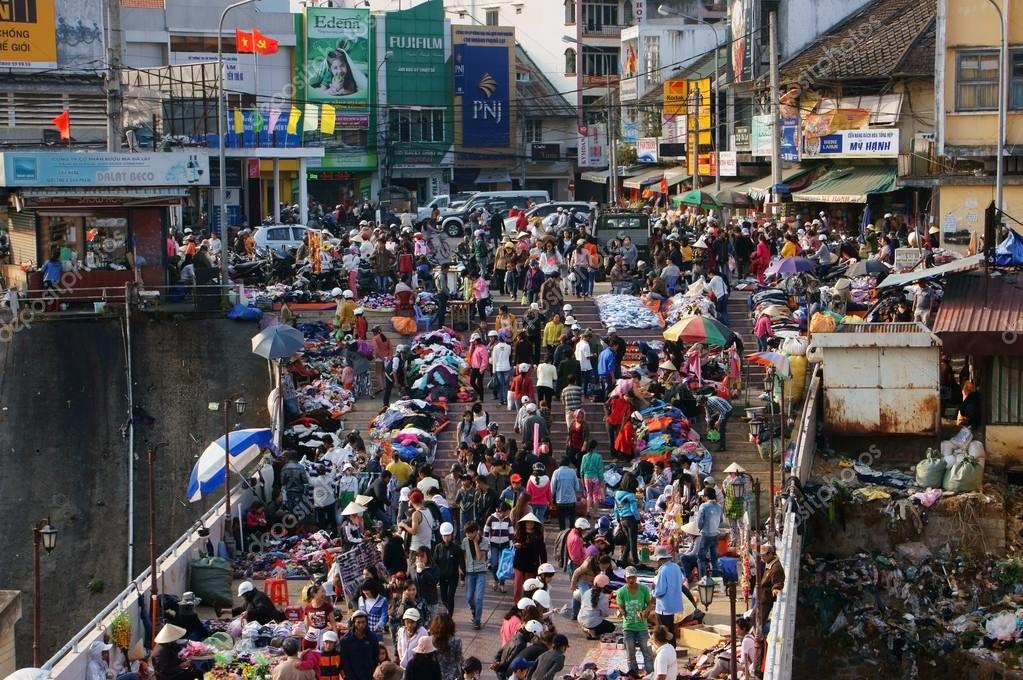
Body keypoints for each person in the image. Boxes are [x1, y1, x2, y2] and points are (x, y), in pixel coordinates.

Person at [616, 566, 654, 676]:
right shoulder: (621, 592)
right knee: (630, 655)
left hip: (642, 627)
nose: (631, 580)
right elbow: (620, 606)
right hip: (628, 627)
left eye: (633, 578)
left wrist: (646, 610)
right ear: (625, 578)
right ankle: (633, 675)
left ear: (636, 577)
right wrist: (622, 611)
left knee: (647, 653)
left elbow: (650, 603)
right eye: (629, 578)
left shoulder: (644, 589)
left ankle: (651, 675)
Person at [652, 545, 690, 643]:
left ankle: (666, 648)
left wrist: (653, 592)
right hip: (674, 605)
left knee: (663, 632)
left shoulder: (663, 570)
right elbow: (682, 580)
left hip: (663, 607)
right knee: (670, 630)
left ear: (660, 559)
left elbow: (661, 590)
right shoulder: (676, 567)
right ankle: (672, 649)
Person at [512, 512, 547, 601]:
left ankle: (528, 606)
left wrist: (543, 566)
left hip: (532, 564)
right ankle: (517, 605)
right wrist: (516, 545)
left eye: (531, 522)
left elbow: (542, 551)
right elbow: (512, 543)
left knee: (529, 587)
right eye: (528, 522)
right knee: (517, 586)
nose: (529, 524)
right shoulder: (520, 533)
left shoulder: (538, 536)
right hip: (519, 563)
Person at [462, 521, 490, 629]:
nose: (468, 535)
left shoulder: (484, 541)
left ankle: (477, 620)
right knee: (469, 597)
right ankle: (474, 611)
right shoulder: (464, 541)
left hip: (481, 572)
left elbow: (479, 557)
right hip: (470, 572)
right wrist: (462, 572)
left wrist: (475, 543)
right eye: (466, 533)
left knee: (478, 598)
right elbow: (464, 556)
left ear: (476, 532)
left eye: (470, 533)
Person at [484, 500, 514, 592]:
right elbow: (486, 531)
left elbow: (511, 532)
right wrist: (486, 542)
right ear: (502, 511)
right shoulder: (491, 518)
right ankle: (496, 580)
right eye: (507, 512)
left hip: (505, 545)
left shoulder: (508, 520)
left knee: (503, 564)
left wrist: (511, 543)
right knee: (494, 564)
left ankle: (502, 583)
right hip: (494, 544)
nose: (508, 514)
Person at [434, 522, 463, 616]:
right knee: (443, 597)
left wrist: (462, 578)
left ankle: (450, 615)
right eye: (444, 536)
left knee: (451, 596)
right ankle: (447, 608)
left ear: (451, 535)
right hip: (442, 577)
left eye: (448, 535)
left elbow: (462, 563)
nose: (446, 538)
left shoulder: (457, 549)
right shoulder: (438, 548)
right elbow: (434, 562)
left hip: (453, 576)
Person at [341, 611, 380, 680]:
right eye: (358, 622)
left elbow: (376, 656)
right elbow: (345, 660)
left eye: (363, 622)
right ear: (353, 623)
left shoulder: (372, 637)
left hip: (369, 675)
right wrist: (350, 676)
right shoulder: (346, 640)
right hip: (352, 676)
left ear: (366, 622)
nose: (361, 625)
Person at [697, 487, 724, 577]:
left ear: (706, 496)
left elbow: (700, 522)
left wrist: (699, 529)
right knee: (714, 559)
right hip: (715, 535)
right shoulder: (719, 506)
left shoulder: (703, 506)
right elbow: (721, 521)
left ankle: (703, 579)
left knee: (701, 559)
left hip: (705, 535)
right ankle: (716, 578)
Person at [577, 573, 615, 638]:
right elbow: (605, 614)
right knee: (612, 627)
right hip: (591, 623)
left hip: (580, 619)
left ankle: (587, 629)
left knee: (594, 620)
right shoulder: (603, 598)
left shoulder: (587, 592)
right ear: (605, 587)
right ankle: (593, 632)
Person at [301, 583, 336, 650]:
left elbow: (333, 623)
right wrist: (308, 634)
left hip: (324, 633)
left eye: (325, 592)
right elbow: (306, 624)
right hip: (312, 634)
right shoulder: (308, 608)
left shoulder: (328, 606)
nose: (324, 594)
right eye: (322, 592)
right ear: (315, 594)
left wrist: (335, 636)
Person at [429, 613, 464, 680]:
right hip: (452, 675)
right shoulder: (456, 640)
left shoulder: (431, 640)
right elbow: (460, 660)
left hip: (434, 674)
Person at [551, 457, 581, 531]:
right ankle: (571, 534)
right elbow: (577, 487)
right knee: (572, 520)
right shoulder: (573, 472)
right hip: (571, 501)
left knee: (561, 521)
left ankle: (562, 534)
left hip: (560, 501)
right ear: (568, 463)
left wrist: (551, 497)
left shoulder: (556, 472)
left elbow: (552, 488)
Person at [760, 543, 785, 621]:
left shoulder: (776, 568)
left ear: (770, 554)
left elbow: (777, 581)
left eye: (764, 556)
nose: (762, 558)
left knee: (759, 620)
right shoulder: (769, 564)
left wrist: (776, 588)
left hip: (767, 599)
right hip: (762, 597)